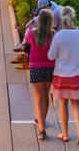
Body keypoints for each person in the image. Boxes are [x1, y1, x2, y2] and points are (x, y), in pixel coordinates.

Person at [47, 6, 79, 144]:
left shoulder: (58, 35)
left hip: (62, 74)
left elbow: (51, 55)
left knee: (63, 103)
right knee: (76, 103)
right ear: (73, 17)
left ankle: (65, 134)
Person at [18, 9, 55, 140]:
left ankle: (42, 130)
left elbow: (25, 45)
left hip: (35, 67)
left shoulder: (32, 33)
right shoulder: (53, 34)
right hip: (50, 67)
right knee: (46, 97)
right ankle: (42, 121)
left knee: (38, 98)